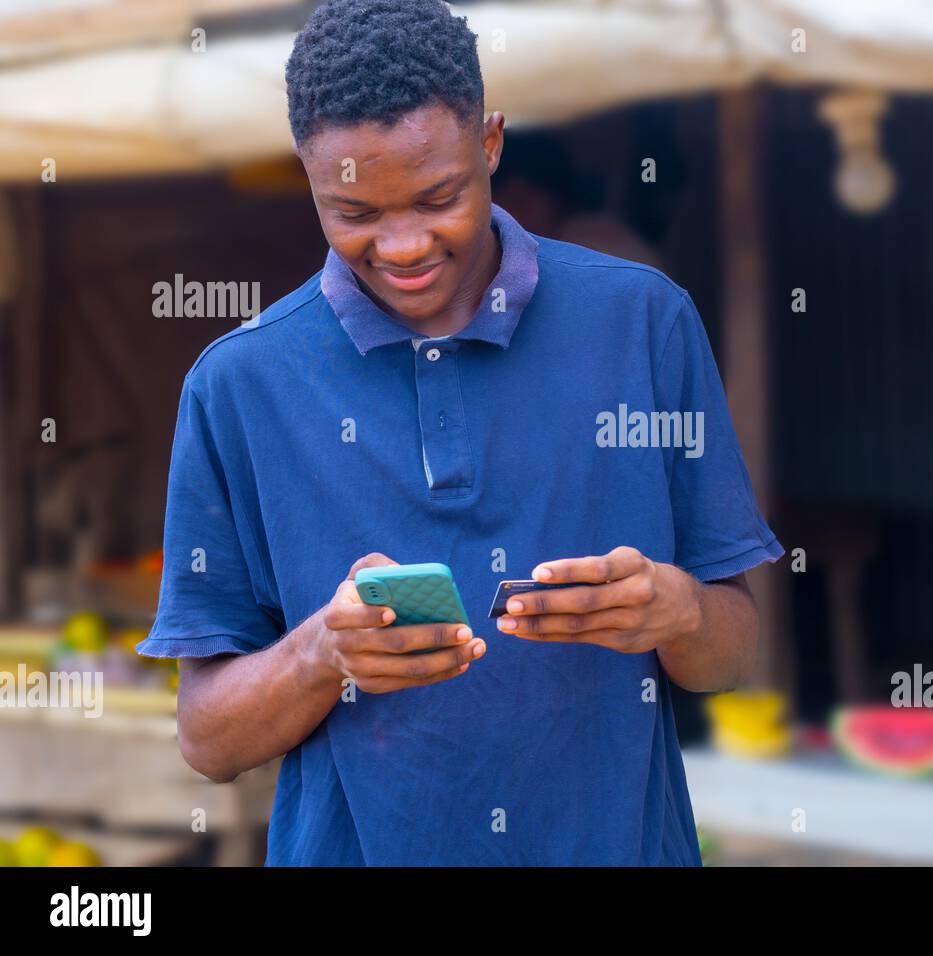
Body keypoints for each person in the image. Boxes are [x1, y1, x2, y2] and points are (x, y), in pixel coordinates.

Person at [136, 0, 783, 865]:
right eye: (356, 213)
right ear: (308, 178)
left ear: (492, 146)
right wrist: (322, 652)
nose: (403, 245)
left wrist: (677, 609)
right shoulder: (238, 386)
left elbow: (734, 653)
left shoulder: (642, 323)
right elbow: (208, 740)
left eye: (439, 198)